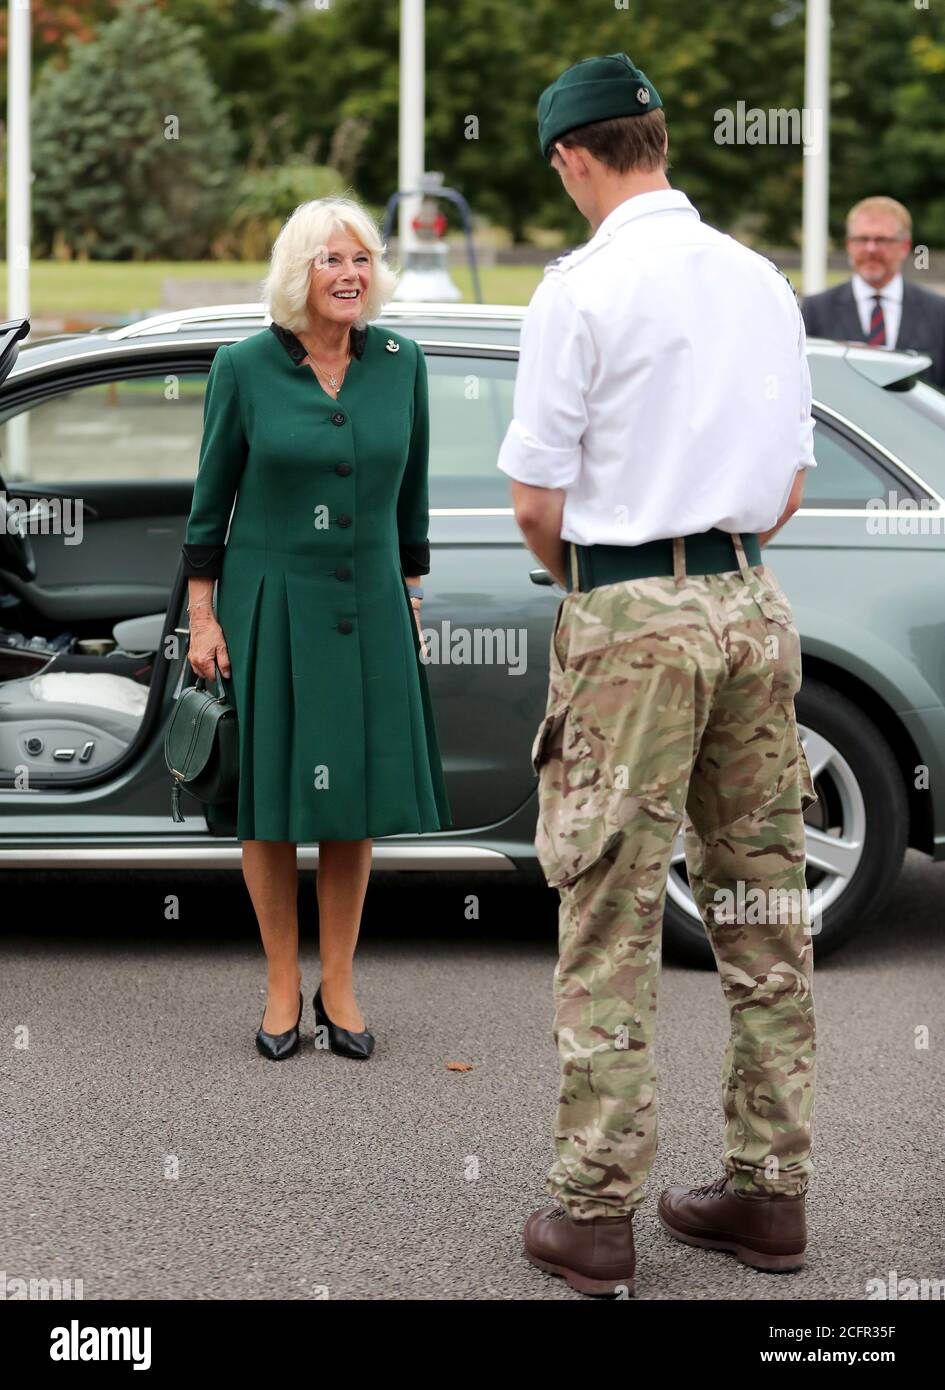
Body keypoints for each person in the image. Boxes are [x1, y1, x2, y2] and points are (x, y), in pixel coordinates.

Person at [497, 52, 819, 1297]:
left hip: (630, 604)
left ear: (574, 158)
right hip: (751, 601)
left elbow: (536, 500)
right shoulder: (761, 279)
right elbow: (787, 489)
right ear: (661, 139)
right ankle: (768, 1195)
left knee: (610, 910)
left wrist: (600, 581)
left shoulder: (578, 289)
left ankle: (594, 1215)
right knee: (760, 910)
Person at [180, 196, 452, 1063]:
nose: (349, 274)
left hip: (366, 600)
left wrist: (409, 592)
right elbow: (208, 499)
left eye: (362, 259)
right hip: (270, 597)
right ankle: (278, 984)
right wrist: (202, 613)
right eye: (330, 260)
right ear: (298, 275)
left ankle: (337, 981)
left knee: (351, 803)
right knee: (267, 805)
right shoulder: (245, 366)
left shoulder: (402, 362)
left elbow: (412, 496)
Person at [802, 195, 945, 389]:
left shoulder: (937, 311)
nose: (870, 249)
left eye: (881, 240)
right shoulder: (815, 310)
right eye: (862, 239)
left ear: (905, 246)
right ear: (848, 245)